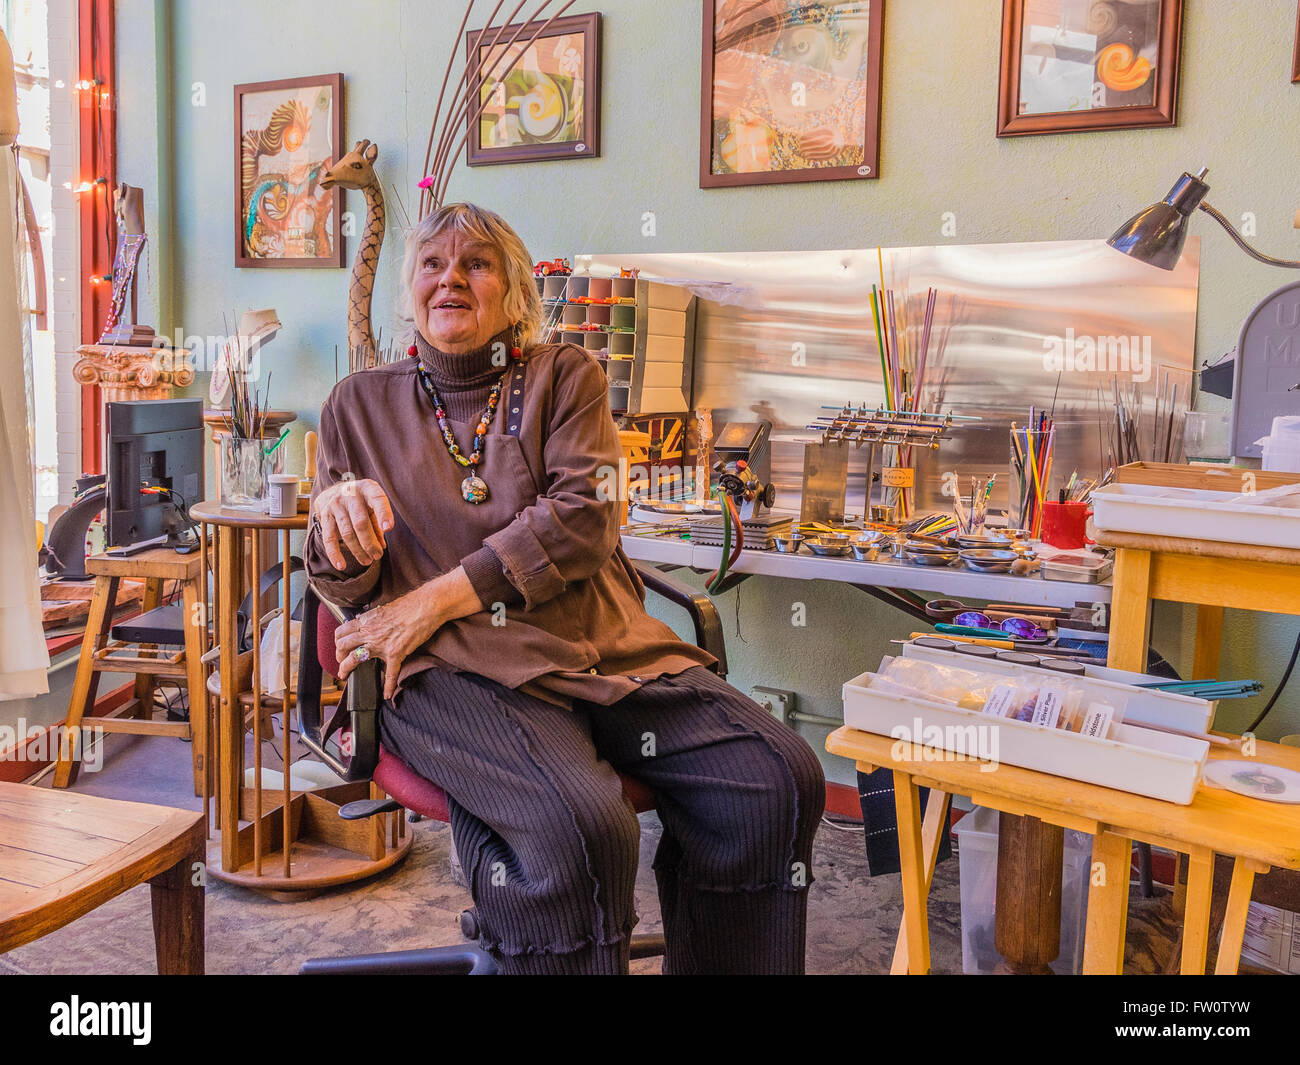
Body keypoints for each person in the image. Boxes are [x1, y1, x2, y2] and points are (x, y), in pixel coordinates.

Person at [305, 201, 824, 975]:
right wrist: (334, 531)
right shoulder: (358, 403)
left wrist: (435, 594)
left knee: (776, 775)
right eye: (433, 264)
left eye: (476, 264)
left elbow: (585, 516)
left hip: (603, 651)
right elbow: (349, 587)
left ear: (513, 295)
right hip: (455, 670)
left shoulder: (566, 374)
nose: (451, 278)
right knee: (581, 826)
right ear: (409, 290)